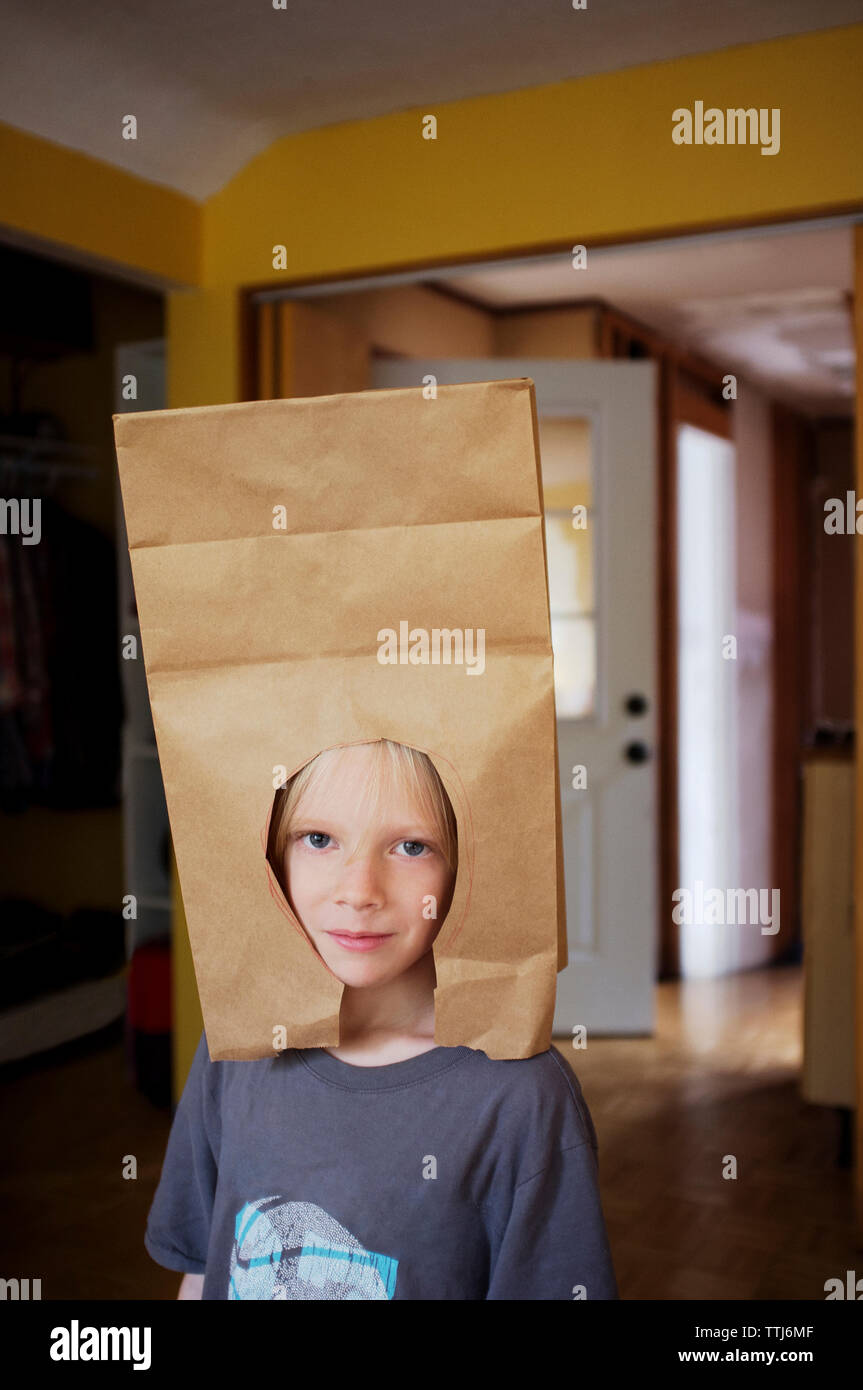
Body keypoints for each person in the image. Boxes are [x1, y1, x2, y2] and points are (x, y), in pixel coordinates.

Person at [145, 738, 620, 1300]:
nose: (359, 891)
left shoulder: (521, 1098)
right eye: (319, 839)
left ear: (464, 869)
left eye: (411, 847)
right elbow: (203, 1270)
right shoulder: (240, 1044)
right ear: (275, 854)